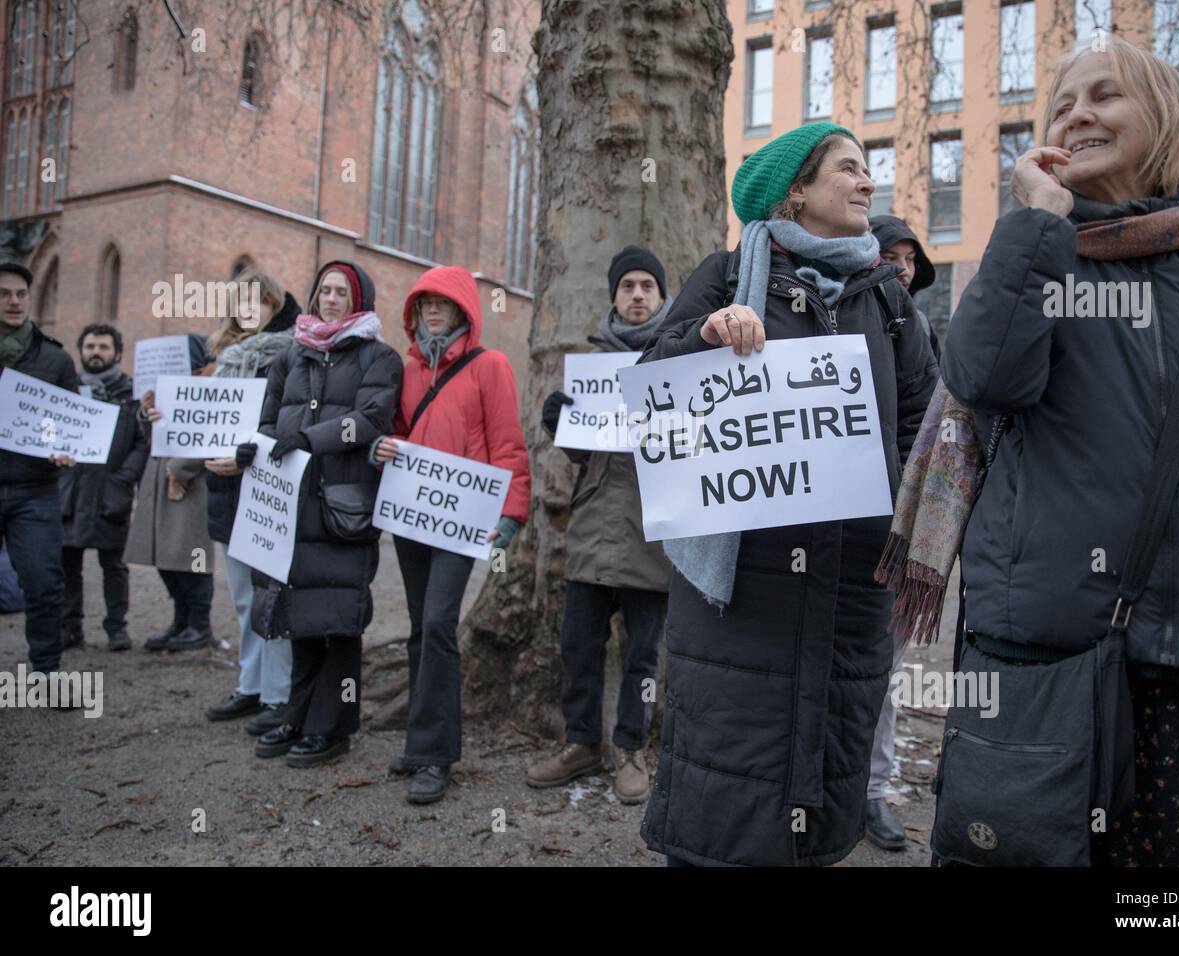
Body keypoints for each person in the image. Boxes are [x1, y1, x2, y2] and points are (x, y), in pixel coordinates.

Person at [882, 38, 1179, 865]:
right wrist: (1036, 221)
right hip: (1048, 673)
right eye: (1062, 105)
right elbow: (986, 374)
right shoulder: (1034, 256)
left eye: (1104, 96)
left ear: (1167, 118)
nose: (1077, 115)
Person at [638, 123, 938, 866]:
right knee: (726, 794)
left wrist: (887, 523)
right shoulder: (727, 272)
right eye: (849, 169)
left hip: (850, 584)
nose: (868, 181)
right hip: (744, 592)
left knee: (821, 791)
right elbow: (650, 391)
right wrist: (705, 337)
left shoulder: (892, 306)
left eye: (870, 170)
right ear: (796, 190)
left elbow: (921, 432)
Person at [370, 265, 530, 803]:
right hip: (413, 517)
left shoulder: (492, 366)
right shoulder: (408, 370)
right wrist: (380, 449)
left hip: (464, 522)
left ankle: (438, 756)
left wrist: (511, 515)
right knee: (419, 629)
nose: (432, 310)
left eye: (442, 302)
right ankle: (420, 742)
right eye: (424, 303)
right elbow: (394, 431)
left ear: (463, 309)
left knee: (439, 625)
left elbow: (509, 445)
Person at [526, 246, 674, 804]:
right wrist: (562, 426)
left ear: (661, 296)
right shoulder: (591, 365)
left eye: (647, 287)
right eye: (628, 286)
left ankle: (631, 749)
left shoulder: (679, 362)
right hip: (591, 530)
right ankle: (581, 743)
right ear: (614, 295)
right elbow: (587, 455)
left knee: (642, 654)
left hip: (651, 535)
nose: (637, 295)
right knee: (578, 645)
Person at [245, 260, 402, 769]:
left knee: (340, 620)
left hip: (343, 503)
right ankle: (298, 715)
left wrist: (309, 440)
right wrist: (256, 448)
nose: (330, 299)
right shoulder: (292, 355)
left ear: (358, 300)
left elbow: (372, 418)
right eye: (324, 291)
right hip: (291, 507)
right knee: (302, 616)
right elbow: (268, 420)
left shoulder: (379, 357)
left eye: (340, 292)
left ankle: (333, 727)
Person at [860, 214, 940, 850]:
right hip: (830, 528)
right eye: (890, 253)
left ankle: (872, 791)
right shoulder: (835, 319)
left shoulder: (924, 339)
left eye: (911, 258)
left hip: (897, 530)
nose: (903, 266)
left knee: (885, 669)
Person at [202, 269, 300, 733]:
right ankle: (251, 686)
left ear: (275, 306)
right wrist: (155, 413)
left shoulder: (293, 353)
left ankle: (279, 695)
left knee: (272, 597)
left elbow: (291, 421)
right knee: (243, 597)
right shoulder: (221, 357)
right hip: (226, 490)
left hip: (267, 490)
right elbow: (197, 421)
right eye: (241, 302)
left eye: (259, 302)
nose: (249, 310)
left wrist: (251, 452)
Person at [0, 261, 78, 675]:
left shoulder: (55, 359)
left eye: (20, 293)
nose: (13, 301)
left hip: (35, 490)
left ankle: (46, 670)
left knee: (44, 584)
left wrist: (69, 450)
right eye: (4, 293)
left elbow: (75, 424)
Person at [59, 323, 148, 652]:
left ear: (117, 353)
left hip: (111, 492)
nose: (96, 353)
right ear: (81, 350)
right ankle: (70, 628)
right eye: (90, 347)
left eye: (104, 347)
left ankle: (117, 628)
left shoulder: (132, 394)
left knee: (114, 565)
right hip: (71, 491)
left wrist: (124, 478)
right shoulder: (67, 389)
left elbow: (142, 443)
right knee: (67, 563)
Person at [127, 334, 218, 653]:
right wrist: (145, 414)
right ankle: (181, 620)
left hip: (189, 483)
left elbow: (217, 432)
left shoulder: (211, 388)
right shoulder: (163, 390)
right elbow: (151, 432)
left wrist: (182, 467)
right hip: (159, 477)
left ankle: (199, 624)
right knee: (165, 555)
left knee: (191, 556)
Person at [872, 214, 941, 360]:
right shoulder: (849, 319)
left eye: (909, 259)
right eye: (890, 258)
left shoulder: (921, 324)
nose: (905, 270)